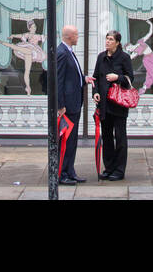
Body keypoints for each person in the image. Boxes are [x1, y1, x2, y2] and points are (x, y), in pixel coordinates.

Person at [91, 30, 134, 181]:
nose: (107, 41)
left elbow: (130, 79)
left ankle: (119, 170)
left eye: (111, 39)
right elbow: (95, 78)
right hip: (104, 104)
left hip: (119, 105)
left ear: (117, 43)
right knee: (107, 137)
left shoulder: (124, 58)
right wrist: (95, 92)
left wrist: (118, 77)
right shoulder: (101, 57)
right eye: (107, 39)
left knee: (120, 137)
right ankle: (109, 168)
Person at [55, 25, 85, 185]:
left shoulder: (69, 52)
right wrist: (60, 105)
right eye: (76, 34)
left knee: (72, 140)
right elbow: (58, 80)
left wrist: (84, 78)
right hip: (67, 105)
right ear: (68, 37)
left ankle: (70, 170)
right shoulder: (61, 53)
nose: (78, 37)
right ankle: (62, 173)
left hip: (75, 103)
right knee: (65, 141)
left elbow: (72, 76)